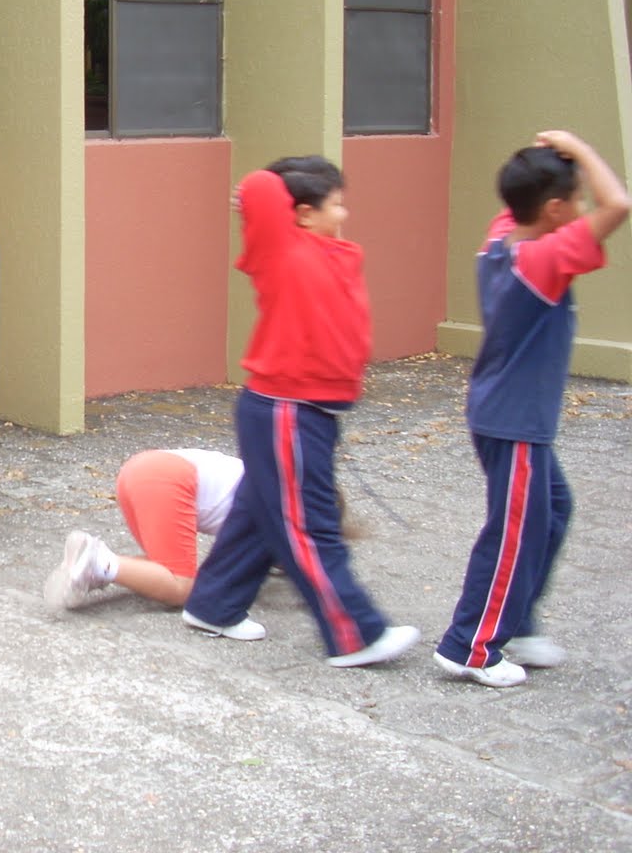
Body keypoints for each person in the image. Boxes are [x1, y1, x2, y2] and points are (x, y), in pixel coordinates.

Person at [181, 156, 418, 667]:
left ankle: (213, 606)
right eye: (336, 204)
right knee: (305, 524)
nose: (345, 213)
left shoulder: (332, 253)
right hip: (284, 408)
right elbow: (263, 186)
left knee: (258, 513)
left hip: (310, 411)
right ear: (303, 214)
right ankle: (355, 633)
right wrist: (257, 192)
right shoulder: (280, 249)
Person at [434, 131, 629, 688]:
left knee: (553, 509)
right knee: (514, 531)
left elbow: (524, 199)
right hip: (515, 421)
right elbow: (619, 204)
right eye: (575, 201)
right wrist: (578, 146)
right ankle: (470, 645)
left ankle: (514, 622)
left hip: (508, 414)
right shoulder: (544, 259)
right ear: (554, 210)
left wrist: (543, 158)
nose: (585, 209)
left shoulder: (502, 242)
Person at [44, 448, 245, 611]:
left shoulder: (261, 476)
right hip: (170, 479)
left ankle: (87, 567)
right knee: (182, 586)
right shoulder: (272, 506)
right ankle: (99, 563)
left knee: (163, 569)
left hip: (140, 469)